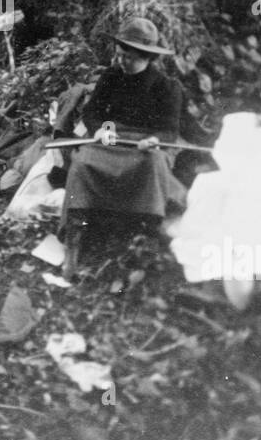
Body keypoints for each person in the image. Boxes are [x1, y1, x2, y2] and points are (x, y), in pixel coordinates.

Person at [60, 17, 189, 278]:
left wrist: (154, 140)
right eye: (119, 55)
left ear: (145, 57)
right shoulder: (110, 76)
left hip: (145, 145)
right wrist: (101, 129)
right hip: (111, 141)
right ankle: (74, 240)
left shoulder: (167, 86)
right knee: (83, 160)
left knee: (153, 163)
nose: (121, 61)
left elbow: (170, 130)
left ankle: (149, 233)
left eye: (128, 57)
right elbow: (92, 113)